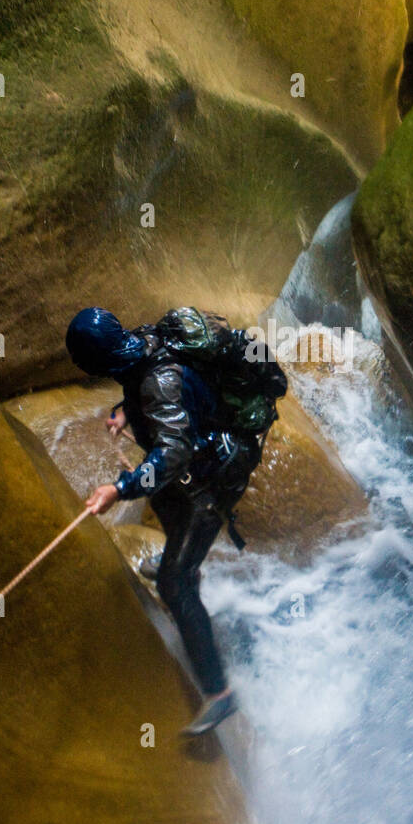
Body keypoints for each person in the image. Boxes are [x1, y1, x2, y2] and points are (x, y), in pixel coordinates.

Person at [65, 306, 287, 736]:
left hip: (214, 476)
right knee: (167, 502)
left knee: (173, 582)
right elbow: (156, 391)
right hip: (198, 454)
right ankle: (183, 559)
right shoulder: (143, 343)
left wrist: (119, 489)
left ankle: (220, 695)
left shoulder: (157, 382)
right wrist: (125, 412)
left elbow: (172, 453)